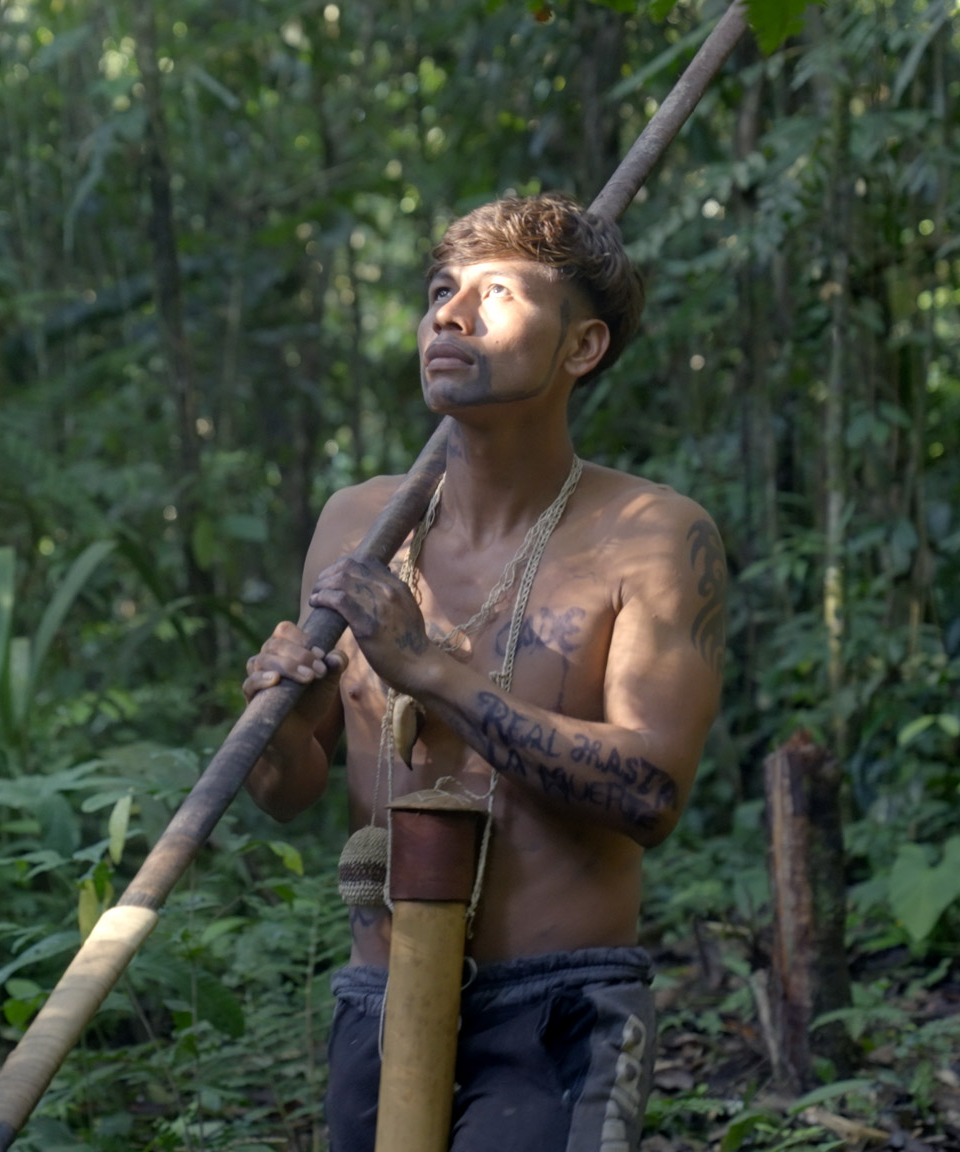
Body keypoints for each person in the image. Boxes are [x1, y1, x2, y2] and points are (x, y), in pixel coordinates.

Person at [240, 193, 725, 1152]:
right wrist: (273, 721)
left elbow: (652, 796)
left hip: (556, 1006)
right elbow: (289, 792)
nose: (449, 317)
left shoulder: (655, 535)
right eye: (438, 293)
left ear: (581, 348)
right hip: (378, 994)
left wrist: (430, 670)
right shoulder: (360, 525)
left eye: (495, 294)